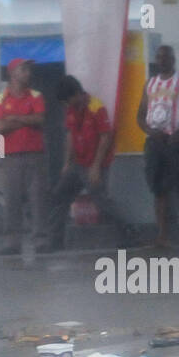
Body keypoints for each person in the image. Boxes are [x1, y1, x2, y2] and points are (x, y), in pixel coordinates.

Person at [47, 75, 138, 249]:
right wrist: (67, 163)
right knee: (59, 195)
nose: (66, 106)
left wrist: (96, 167)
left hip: (95, 164)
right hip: (78, 163)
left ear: (75, 95)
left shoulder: (96, 107)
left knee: (102, 201)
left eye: (67, 101)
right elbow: (70, 136)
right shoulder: (72, 110)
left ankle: (129, 232)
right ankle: (55, 241)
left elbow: (105, 137)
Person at [137, 44, 179, 248]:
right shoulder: (150, 84)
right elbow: (140, 116)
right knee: (158, 190)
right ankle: (162, 235)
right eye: (158, 57)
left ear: (173, 59)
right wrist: (150, 131)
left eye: (166, 57)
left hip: (178, 141)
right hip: (156, 142)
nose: (162, 60)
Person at [0, 57, 52, 255]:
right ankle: (12, 242)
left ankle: (40, 240)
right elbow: (0, 127)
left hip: (35, 155)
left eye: (28, 70)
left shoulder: (36, 96)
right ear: (12, 73)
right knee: (11, 200)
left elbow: (40, 120)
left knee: (38, 199)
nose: (28, 73)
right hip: (10, 157)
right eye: (23, 69)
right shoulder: (0, 99)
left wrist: (15, 118)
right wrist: (27, 120)